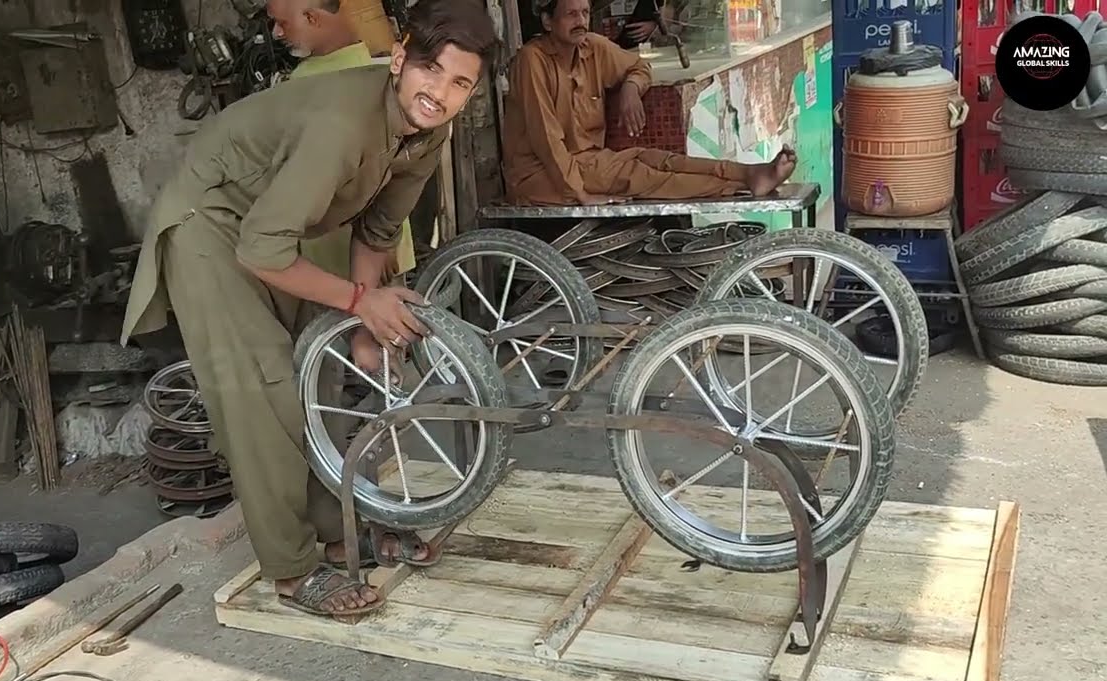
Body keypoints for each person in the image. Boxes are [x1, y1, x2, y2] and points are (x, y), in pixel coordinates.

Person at [120, 0, 500, 618]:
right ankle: (293, 571)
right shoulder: (342, 125)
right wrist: (360, 300)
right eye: (431, 71)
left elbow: (377, 232)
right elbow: (259, 248)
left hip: (269, 234)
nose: (440, 93)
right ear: (400, 58)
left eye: (460, 83)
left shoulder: (430, 130)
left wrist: (359, 325)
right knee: (263, 387)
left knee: (318, 371)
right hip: (210, 230)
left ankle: (341, 530)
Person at [501, 0, 796, 206]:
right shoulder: (532, 60)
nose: (580, 22)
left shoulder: (593, 46)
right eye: (570, 14)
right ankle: (740, 187)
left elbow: (640, 67)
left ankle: (748, 172)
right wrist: (580, 194)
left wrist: (630, 88)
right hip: (541, 174)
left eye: (585, 13)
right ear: (547, 21)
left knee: (656, 159)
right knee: (643, 177)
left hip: (590, 161)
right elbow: (546, 138)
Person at [267, 0, 418, 281]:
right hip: (331, 252)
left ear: (312, 18)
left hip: (365, 251)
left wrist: (378, 244)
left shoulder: (370, 81)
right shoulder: (370, 71)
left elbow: (388, 171)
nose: (276, 33)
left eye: (282, 23)